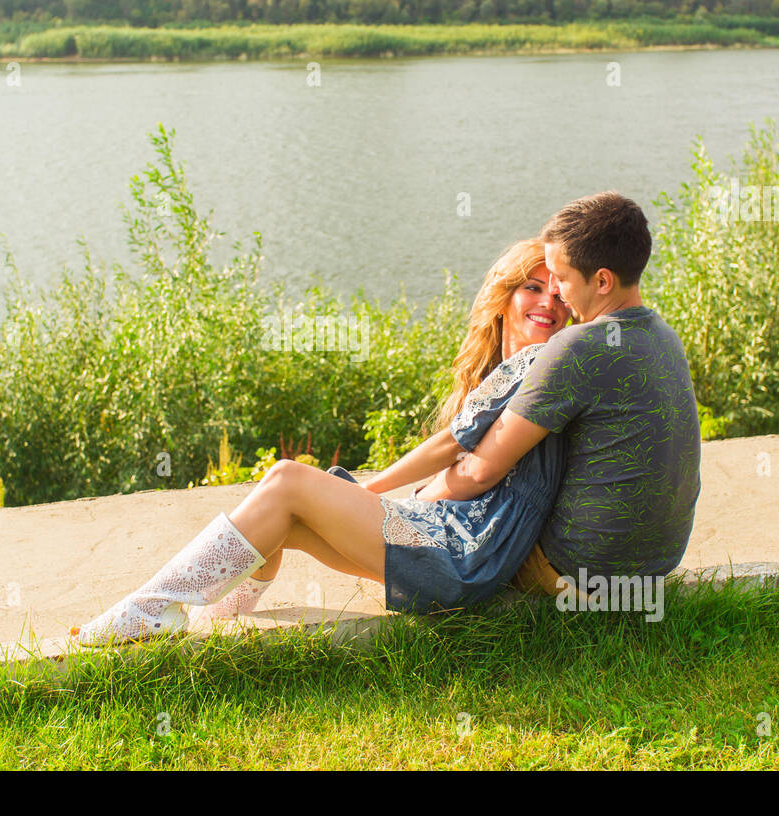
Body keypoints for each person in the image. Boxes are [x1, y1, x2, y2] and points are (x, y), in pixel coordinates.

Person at [77, 237, 572, 646]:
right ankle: (212, 620)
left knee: (288, 480)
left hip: (464, 554)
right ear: (504, 297)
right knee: (280, 517)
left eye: (558, 294)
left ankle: (152, 607)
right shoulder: (511, 370)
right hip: (461, 545)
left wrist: (369, 492)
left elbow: (450, 448)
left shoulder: (540, 365)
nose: (547, 303)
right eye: (532, 288)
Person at [433, 192, 702, 598]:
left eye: (560, 279)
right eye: (538, 284)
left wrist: (410, 506)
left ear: (602, 281)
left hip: (580, 571)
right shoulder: (666, 338)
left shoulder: (580, 346)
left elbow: (481, 472)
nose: (556, 294)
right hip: (657, 564)